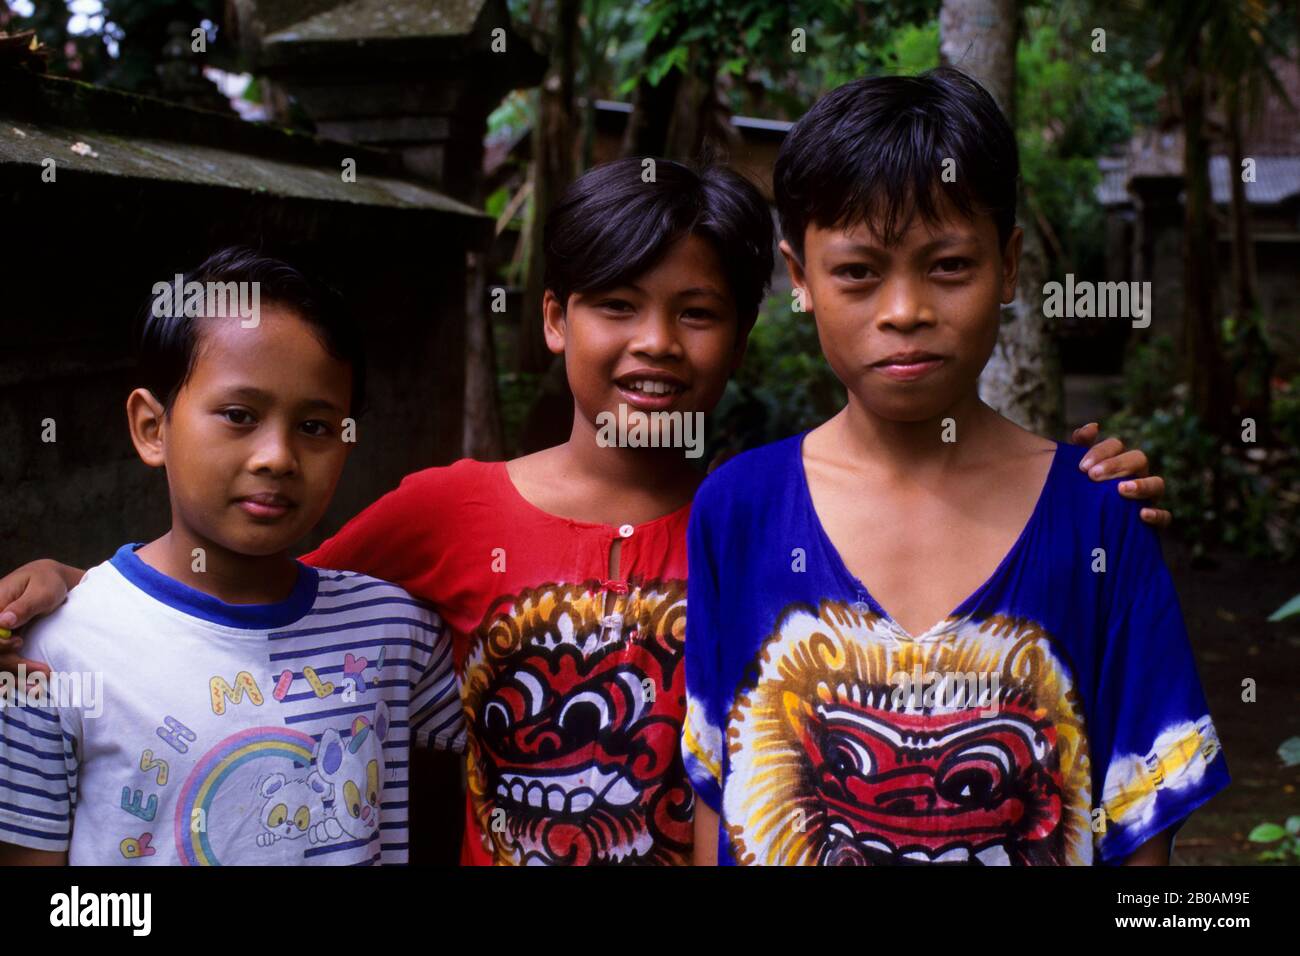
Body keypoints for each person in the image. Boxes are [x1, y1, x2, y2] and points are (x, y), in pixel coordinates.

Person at [0, 160, 1166, 866]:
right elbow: (245, 598)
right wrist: (66, 590)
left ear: (744, 330)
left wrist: (1066, 492)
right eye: (616, 303)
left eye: (697, 309)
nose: (655, 342)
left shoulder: (777, 515)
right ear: (555, 317)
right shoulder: (443, 513)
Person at [681, 68, 1228, 866]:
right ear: (799, 280)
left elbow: (1141, 823)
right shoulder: (737, 509)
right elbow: (717, 794)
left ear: (1008, 267)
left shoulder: (1097, 520)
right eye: (859, 272)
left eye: (947, 266)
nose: (905, 310)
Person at [0, 249, 461, 865]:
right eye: (239, 415)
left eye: (317, 426)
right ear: (151, 428)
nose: (277, 456)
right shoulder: (53, 653)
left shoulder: (393, 632)